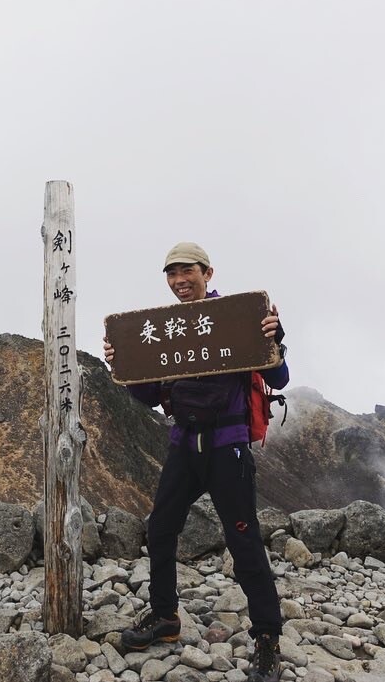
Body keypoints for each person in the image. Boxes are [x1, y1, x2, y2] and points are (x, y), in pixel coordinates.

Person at [102, 241, 289, 682]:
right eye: (171, 274)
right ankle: (165, 616)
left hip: (229, 446)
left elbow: (279, 377)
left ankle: (267, 638)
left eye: (187, 271)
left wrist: (275, 338)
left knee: (243, 540)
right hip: (183, 444)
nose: (179, 281)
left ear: (208, 272)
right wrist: (123, 364)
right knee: (161, 528)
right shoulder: (165, 330)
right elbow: (148, 395)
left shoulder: (241, 319)